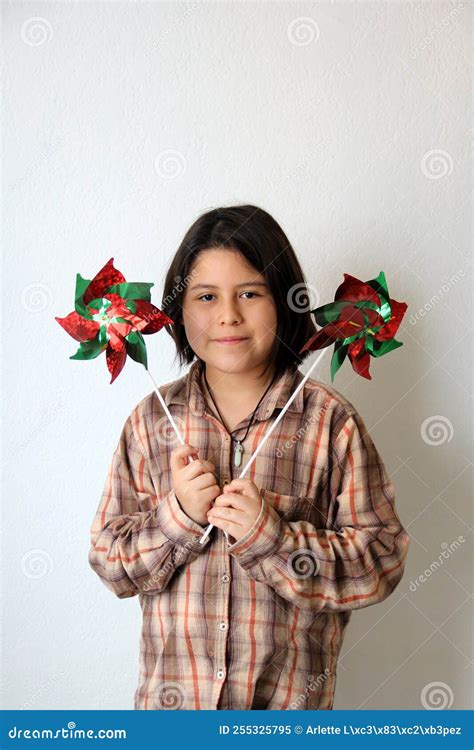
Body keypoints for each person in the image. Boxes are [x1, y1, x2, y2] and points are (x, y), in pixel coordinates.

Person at [88, 204, 410, 710]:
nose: (228, 315)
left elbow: (381, 562)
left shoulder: (330, 423)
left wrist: (273, 538)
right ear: (177, 310)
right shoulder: (150, 423)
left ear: (285, 301)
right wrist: (177, 517)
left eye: (250, 293)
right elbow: (110, 563)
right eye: (206, 296)